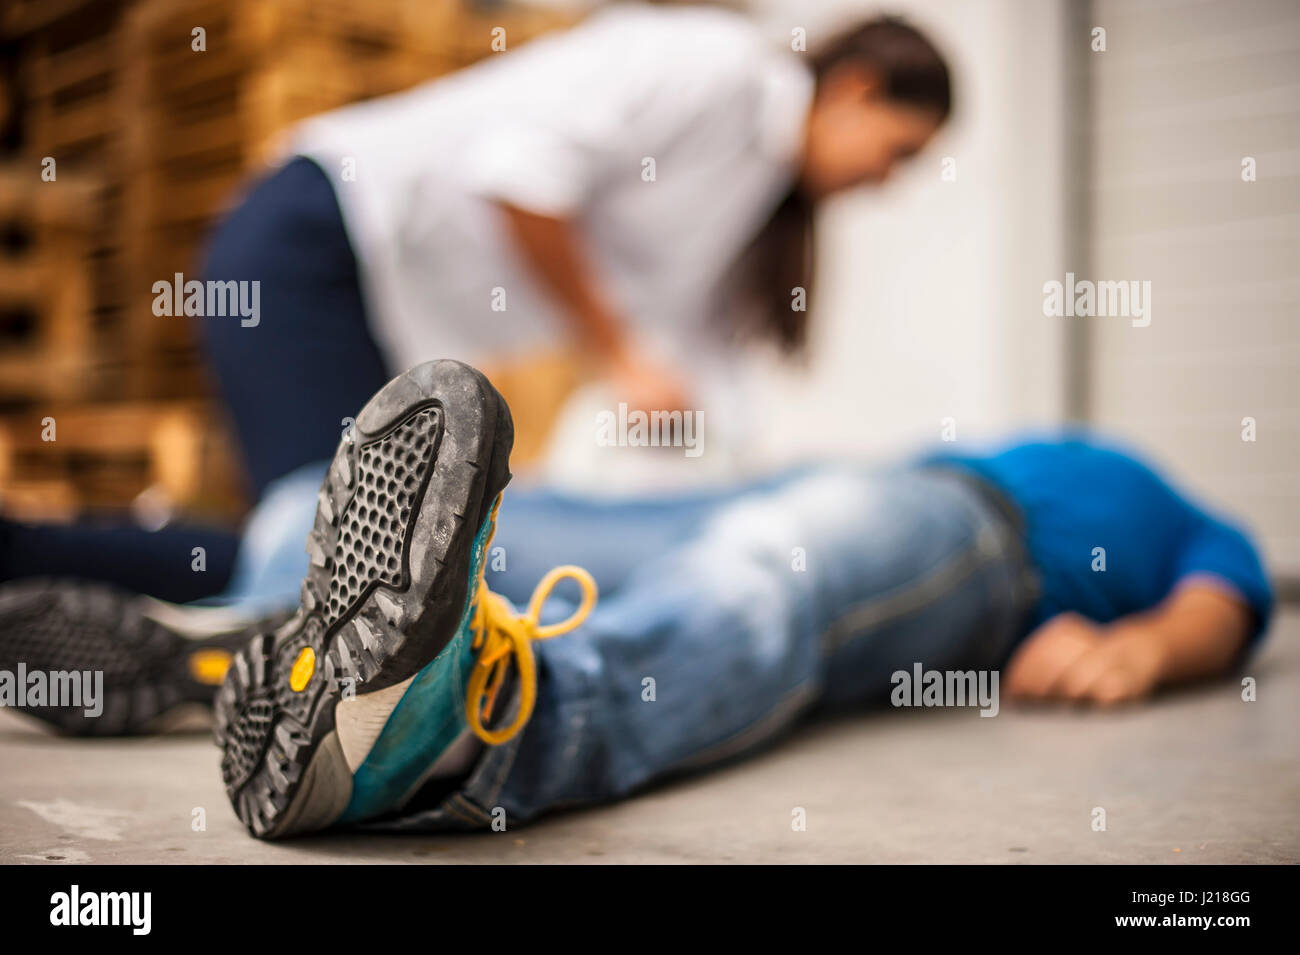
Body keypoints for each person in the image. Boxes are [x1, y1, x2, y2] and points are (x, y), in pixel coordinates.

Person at [0, 361, 1272, 837]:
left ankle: (472, 725)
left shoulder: (1170, 509)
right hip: (843, 484)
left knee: (770, 577)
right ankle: (274, 641)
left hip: (965, 543)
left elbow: (1232, 591)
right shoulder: (997, 442)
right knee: (296, 503)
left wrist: (1146, 644)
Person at [0, 5, 953, 601]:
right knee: (327, 567)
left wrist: (752, 503)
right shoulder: (715, 67)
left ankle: (78, 566)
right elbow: (524, 176)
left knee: (335, 560)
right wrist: (616, 351)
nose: (888, 182)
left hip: (379, 302)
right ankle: (27, 556)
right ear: (857, 88)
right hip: (317, 236)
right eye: (899, 150)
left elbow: (697, 372)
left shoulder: (750, 199)